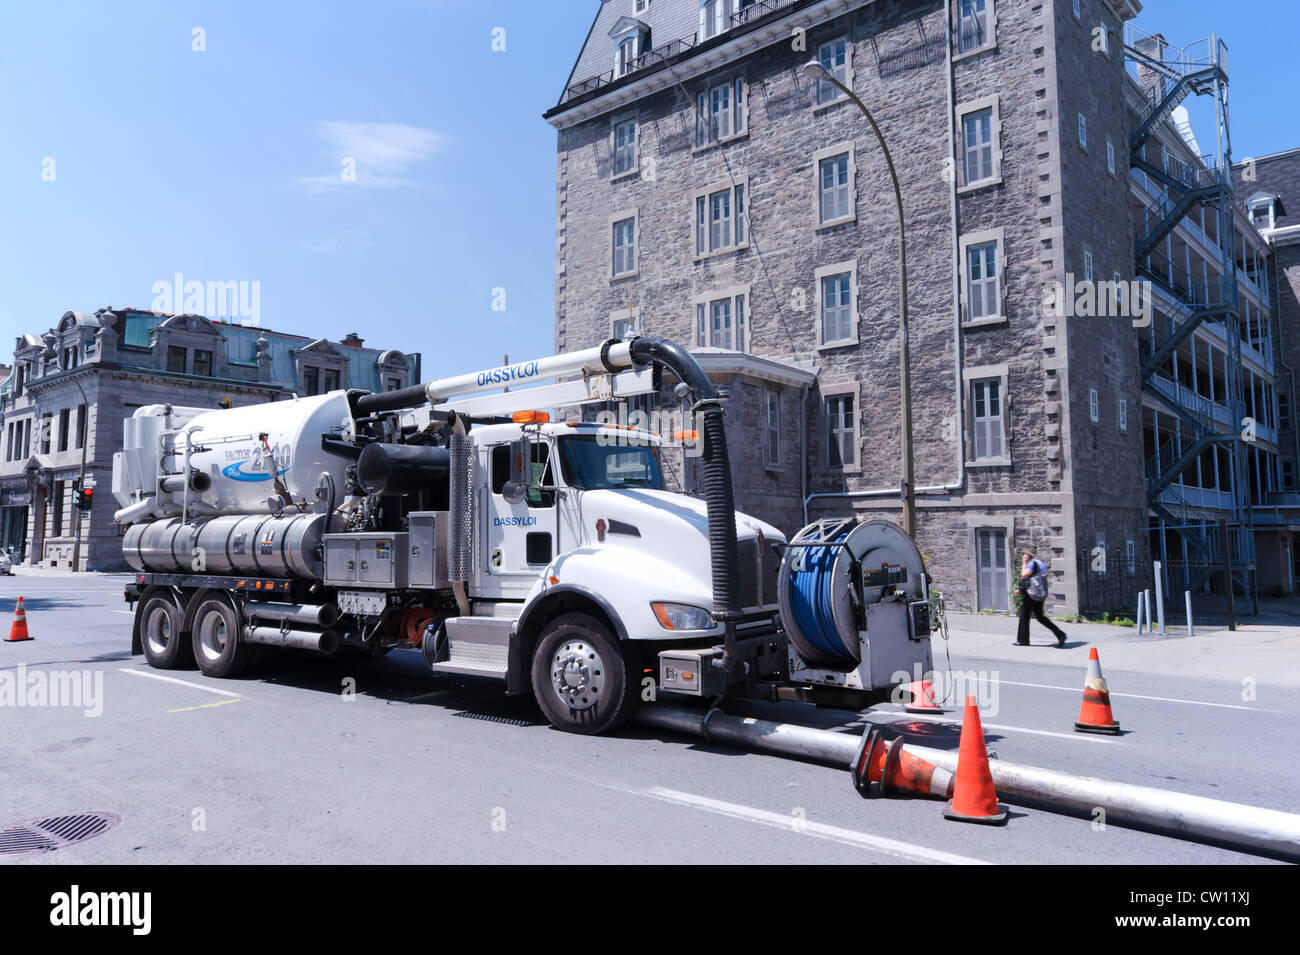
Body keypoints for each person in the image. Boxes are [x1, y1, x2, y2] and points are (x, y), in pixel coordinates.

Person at [1016, 548, 1066, 647]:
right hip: (1039, 594)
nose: (1023, 556)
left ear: (1029, 556)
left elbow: (1024, 575)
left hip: (1031, 595)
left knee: (1024, 616)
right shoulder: (1040, 563)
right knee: (1040, 617)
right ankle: (1060, 634)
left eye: (1025, 554)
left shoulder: (1032, 563)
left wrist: (1024, 563)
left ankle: (1023, 640)